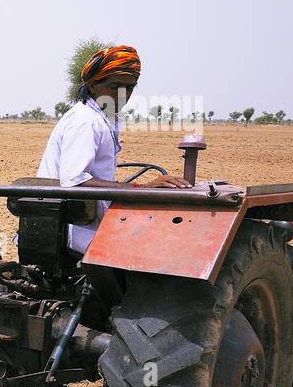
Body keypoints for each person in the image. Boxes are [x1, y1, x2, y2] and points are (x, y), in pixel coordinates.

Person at [36, 44, 189, 255]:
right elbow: (75, 179)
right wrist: (140, 189)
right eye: (115, 86)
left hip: (85, 219)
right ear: (92, 86)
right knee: (148, 253)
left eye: (130, 87)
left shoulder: (105, 118)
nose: (123, 94)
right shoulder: (85, 121)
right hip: (71, 227)